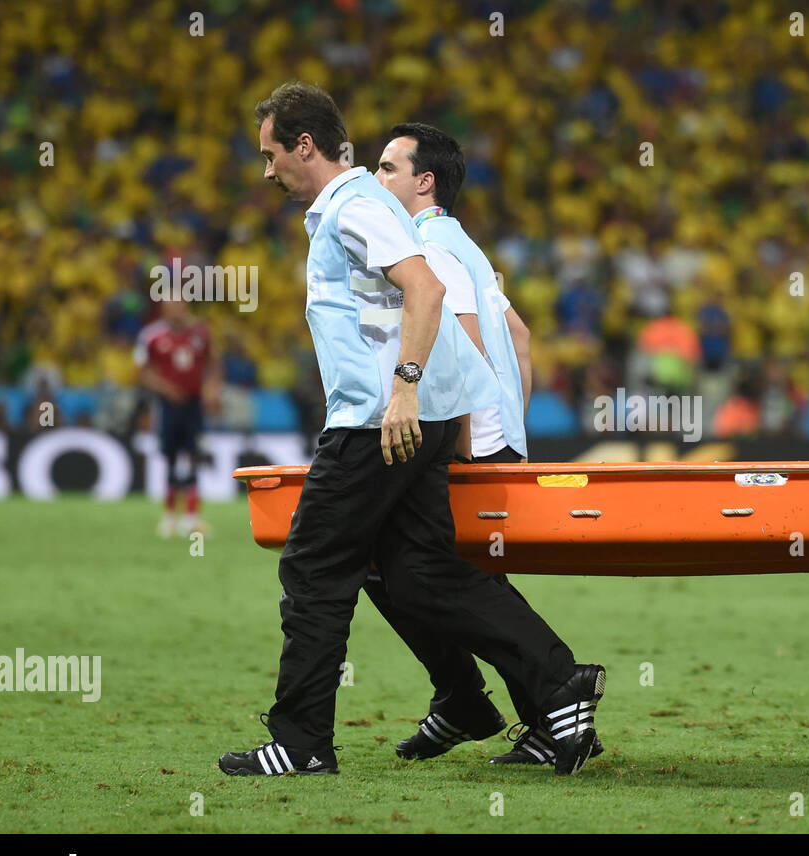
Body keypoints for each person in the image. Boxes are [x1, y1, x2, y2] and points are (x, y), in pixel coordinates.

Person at [218, 82, 605, 778]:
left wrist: (403, 389)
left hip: (378, 421)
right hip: (415, 419)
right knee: (418, 574)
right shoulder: (364, 204)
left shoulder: (353, 208)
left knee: (314, 568)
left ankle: (302, 742)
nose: (266, 169)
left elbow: (425, 289)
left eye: (270, 153)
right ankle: (557, 683)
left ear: (303, 145)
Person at [369, 121, 591, 767]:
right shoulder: (463, 246)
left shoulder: (425, 249)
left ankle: (525, 694)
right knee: (458, 578)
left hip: (462, 443)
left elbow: (459, 342)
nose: (376, 179)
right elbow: (518, 338)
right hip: (496, 440)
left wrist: (468, 441)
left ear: (424, 180)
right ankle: (540, 718)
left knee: (406, 571)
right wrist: (507, 431)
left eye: (387, 168)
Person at [135, 298, 221, 537]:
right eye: (171, 305)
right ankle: (170, 517)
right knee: (170, 458)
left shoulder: (201, 333)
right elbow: (143, 372)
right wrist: (166, 389)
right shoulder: (151, 336)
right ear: (164, 309)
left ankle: (192, 518)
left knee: (194, 457)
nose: (176, 309)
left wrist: (212, 390)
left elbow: (213, 363)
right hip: (167, 406)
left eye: (179, 304)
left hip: (194, 405)